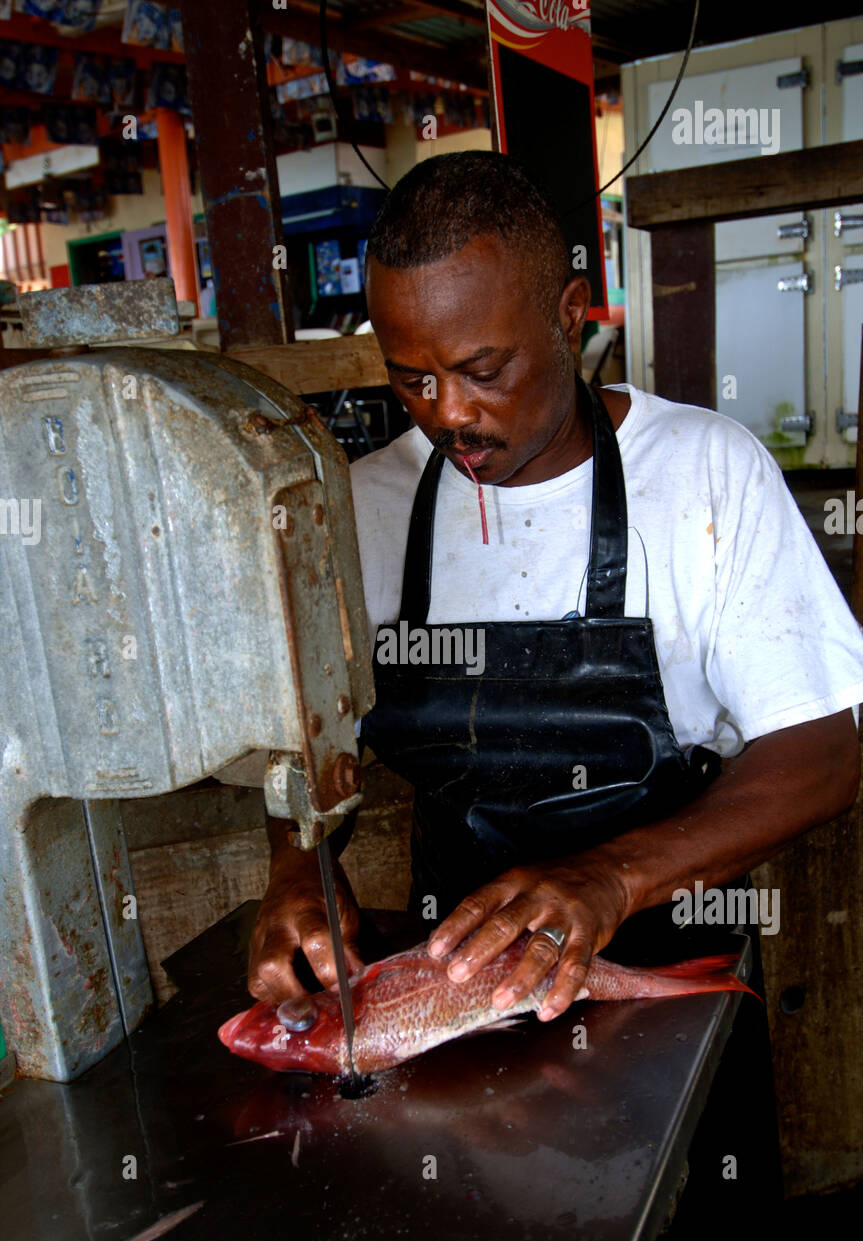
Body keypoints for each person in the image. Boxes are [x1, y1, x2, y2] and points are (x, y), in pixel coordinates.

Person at [248, 151, 863, 1025]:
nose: (446, 412)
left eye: (481, 370)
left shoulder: (703, 472)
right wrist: (296, 868)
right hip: (453, 984)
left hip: (669, 976)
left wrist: (609, 878)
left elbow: (822, 756)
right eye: (409, 376)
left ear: (570, 316)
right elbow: (307, 748)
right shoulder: (362, 507)